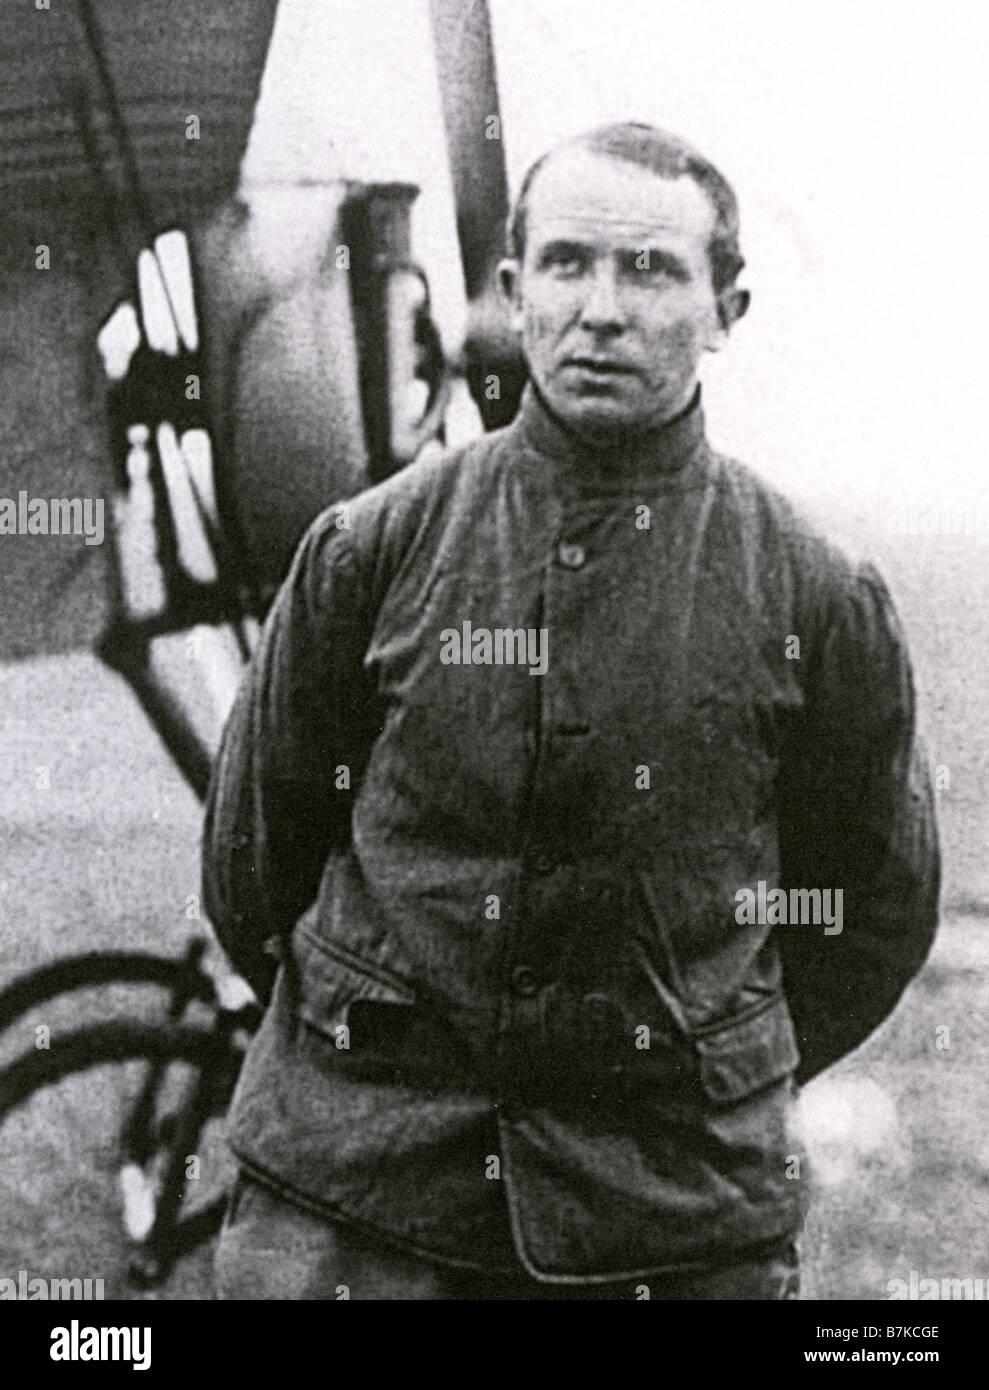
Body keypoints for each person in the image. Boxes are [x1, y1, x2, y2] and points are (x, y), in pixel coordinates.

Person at [202, 122, 940, 1300]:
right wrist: (377, 1050)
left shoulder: (816, 591)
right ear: (510, 294)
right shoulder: (370, 549)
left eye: (649, 270)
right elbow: (255, 868)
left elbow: (870, 910)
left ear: (725, 308)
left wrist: (690, 1062)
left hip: (668, 1223)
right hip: (356, 1205)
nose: (601, 308)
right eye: (565, 264)